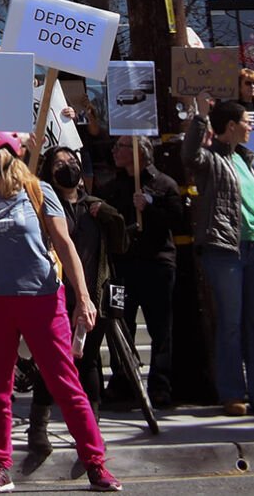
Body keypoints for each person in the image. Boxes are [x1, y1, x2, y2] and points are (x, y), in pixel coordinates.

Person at [0, 132, 120, 494]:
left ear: (4, 155)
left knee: (65, 384)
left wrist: (84, 298)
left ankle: (95, 463)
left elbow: (64, 244)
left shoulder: (39, 192)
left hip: (41, 299)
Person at [181, 97, 254, 418]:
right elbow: (190, 154)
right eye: (247, 122)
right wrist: (201, 118)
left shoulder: (246, 159)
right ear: (232, 126)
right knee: (231, 324)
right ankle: (233, 392)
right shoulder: (211, 160)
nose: (252, 126)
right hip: (225, 251)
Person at [30, 147, 126, 449]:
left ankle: (91, 429)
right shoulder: (44, 206)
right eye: (59, 164)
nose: (67, 167)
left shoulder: (95, 206)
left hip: (91, 295)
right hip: (56, 294)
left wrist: (112, 218)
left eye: (72, 162)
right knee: (52, 363)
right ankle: (38, 428)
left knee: (89, 362)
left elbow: (121, 245)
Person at [96, 139, 183, 409]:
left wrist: (150, 208)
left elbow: (176, 220)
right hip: (123, 269)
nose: (115, 150)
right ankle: (124, 381)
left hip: (157, 265)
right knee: (122, 326)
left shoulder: (165, 184)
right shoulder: (112, 188)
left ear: (139, 153)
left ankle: (160, 385)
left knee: (160, 328)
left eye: (121, 145)